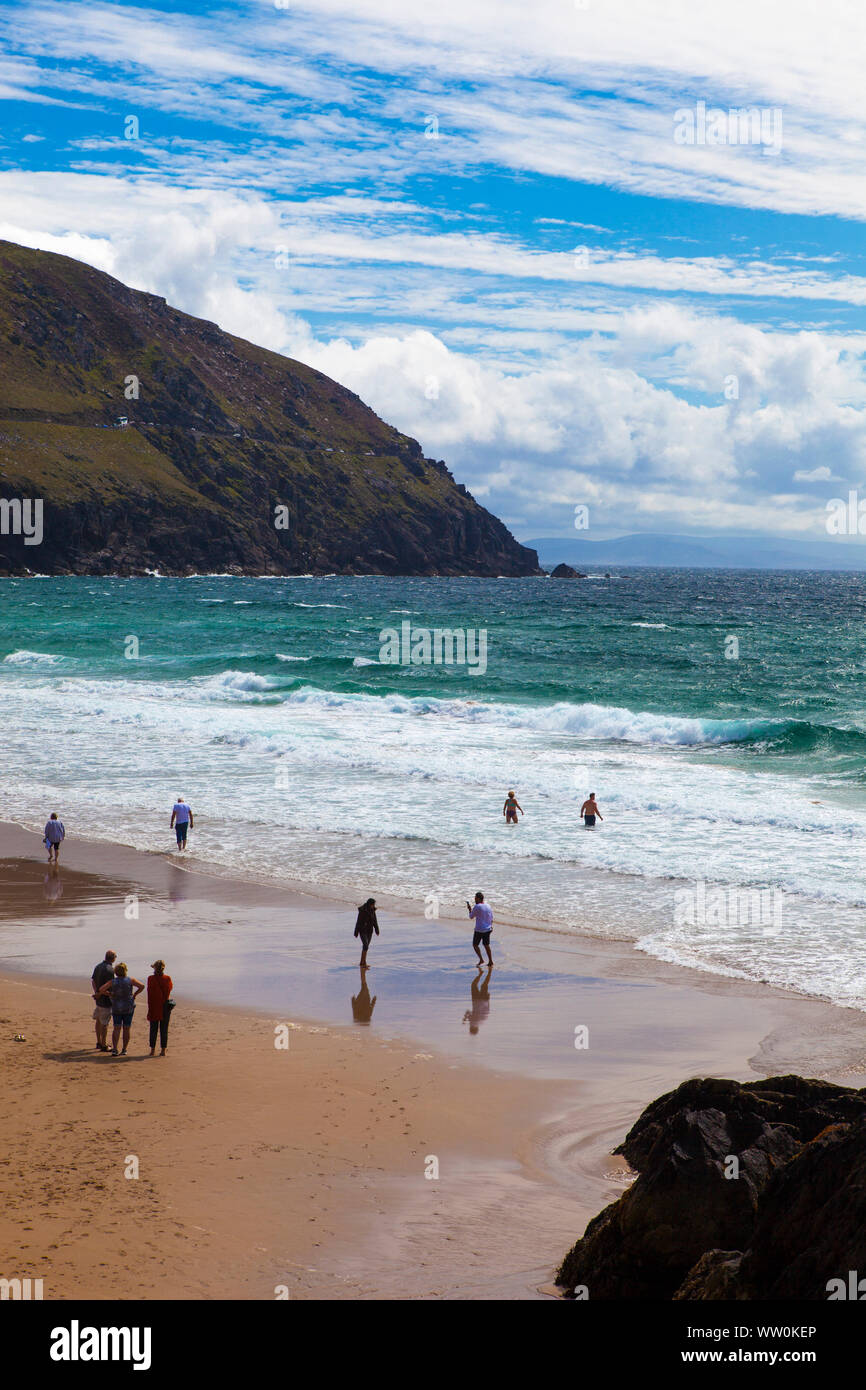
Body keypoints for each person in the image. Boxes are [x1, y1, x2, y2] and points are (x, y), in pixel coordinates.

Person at [97, 961, 144, 1056]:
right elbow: (142, 986)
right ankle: (124, 1049)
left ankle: (115, 1049)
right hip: (128, 1007)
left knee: (116, 1028)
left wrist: (110, 994)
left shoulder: (113, 981)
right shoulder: (130, 980)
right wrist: (134, 994)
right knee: (127, 1028)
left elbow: (101, 989)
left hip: (116, 1007)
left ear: (116, 972)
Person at [91, 949, 117, 1053]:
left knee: (98, 1020)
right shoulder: (110, 970)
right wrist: (101, 993)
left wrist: (97, 992)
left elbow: (93, 981)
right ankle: (103, 1044)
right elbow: (107, 988)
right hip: (105, 1000)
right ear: (113, 958)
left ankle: (98, 1042)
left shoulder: (98, 966)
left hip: (98, 1000)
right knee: (104, 1023)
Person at [146, 959, 174, 1057]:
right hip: (165, 1006)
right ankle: (163, 1050)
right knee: (164, 1029)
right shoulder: (167, 978)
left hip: (154, 1006)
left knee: (153, 1029)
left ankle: (152, 1050)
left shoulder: (150, 979)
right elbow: (169, 989)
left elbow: (150, 994)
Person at [467, 891, 494, 967]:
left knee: (475, 945)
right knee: (486, 945)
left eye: (475, 898)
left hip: (479, 930)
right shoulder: (488, 906)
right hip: (488, 929)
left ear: (478, 899)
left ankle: (481, 959)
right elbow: (491, 918)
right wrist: (491, 926)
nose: (475, 900)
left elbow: (471, 917)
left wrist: (469, 910)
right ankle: (490, 961)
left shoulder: (477, 906)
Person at [354, 897, 379, 968]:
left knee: (366, 947)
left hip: (370, 931)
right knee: (365, 945)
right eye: (373, 904)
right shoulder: (362, 910)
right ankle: (363, 962)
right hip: (362, 930)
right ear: (370, 904)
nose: (373, 906)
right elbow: (358, 921)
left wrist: (377, 929)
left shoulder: (373, 911)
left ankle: (362, 962)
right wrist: (356, 931)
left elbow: (375, 921)